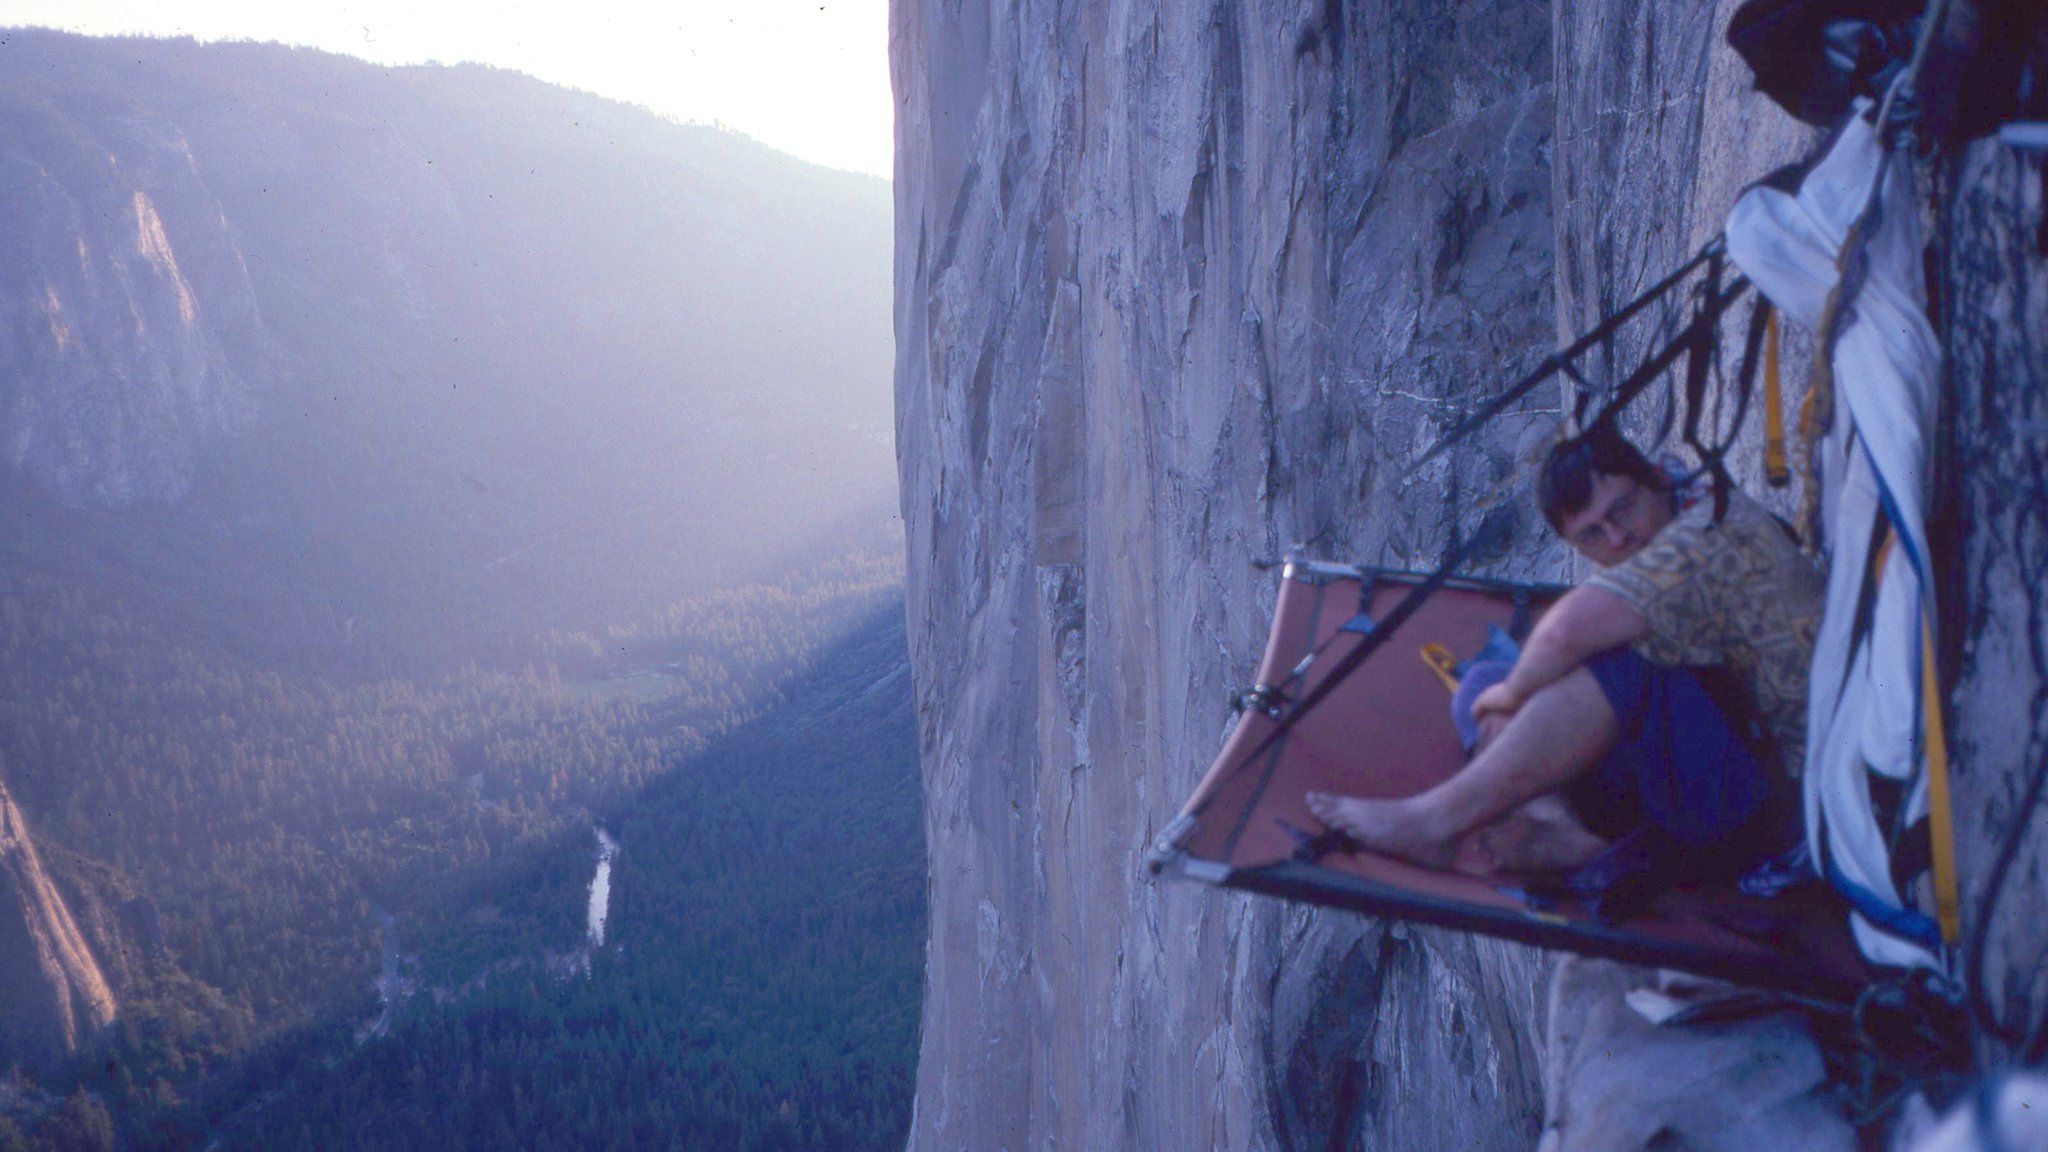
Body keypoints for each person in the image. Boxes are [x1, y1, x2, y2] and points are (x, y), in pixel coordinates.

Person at [1307, 425, 1824, 878]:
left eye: (1623, 508)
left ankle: (1433, 822)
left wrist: (1514, 695)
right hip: (1706, 771)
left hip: (1788, 802)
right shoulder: (1664, 526)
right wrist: (1506, 692)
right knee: (1481, 682)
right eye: (1593, 534)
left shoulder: (1711, 529)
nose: (1618, 537)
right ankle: (1558, 829)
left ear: (1657, 482)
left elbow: (1565, 633)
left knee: (1619, 667)